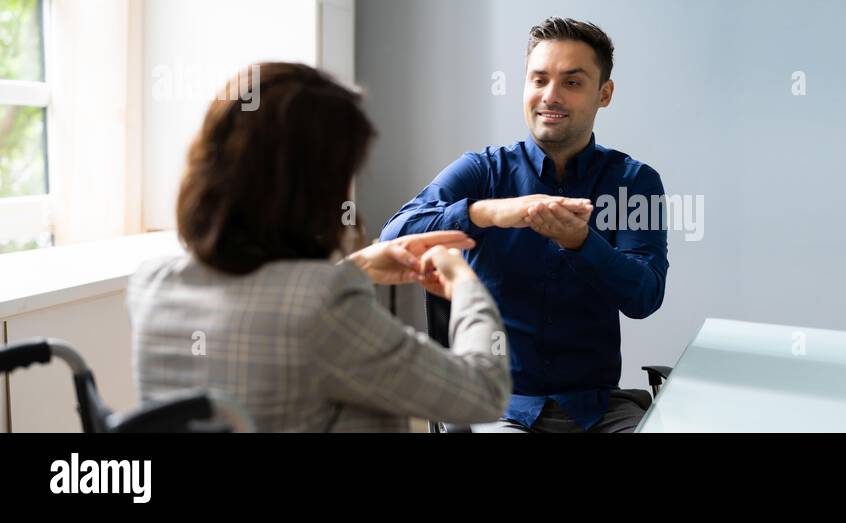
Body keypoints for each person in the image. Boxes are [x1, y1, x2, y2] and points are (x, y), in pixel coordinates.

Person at [127, 63, 510, 432]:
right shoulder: (324, 307)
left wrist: (356, 267)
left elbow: (267, 305)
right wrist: (465, 284)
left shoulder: (151, 285)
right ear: (312, 188)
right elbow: (482, 393)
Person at [380, 18, 668, 433]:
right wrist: (488, 213)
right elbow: (394, 234)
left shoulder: (634, 182)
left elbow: (645, 296)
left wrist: (582, 243)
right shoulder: (482, 171)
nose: (550, 96)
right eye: (539, 79)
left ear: (604, 94)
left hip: (595, 408)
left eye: (572, 82)